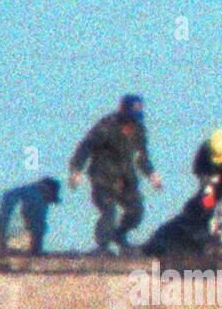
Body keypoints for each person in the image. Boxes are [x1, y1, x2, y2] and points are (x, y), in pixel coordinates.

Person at [68, 94, 162, 252]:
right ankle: (102, 246)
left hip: (126, 178)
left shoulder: (139, 130)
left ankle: (119, 235)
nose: (132, 122)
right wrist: (76, 170)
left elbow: (141, 156)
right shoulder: (106, 126)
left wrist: (151, 174)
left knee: (136, 210)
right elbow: (85, 147)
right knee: (108, 211)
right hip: (103, 177)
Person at [0, 176, 62, 255]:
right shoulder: (38, 198)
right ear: (47, 192)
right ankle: (0, 245)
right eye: (49, 200)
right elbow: (37, 226)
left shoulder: (24, 190)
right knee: (27, 240)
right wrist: (36, 251)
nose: (48, 204)